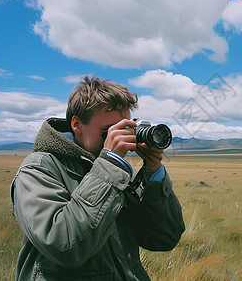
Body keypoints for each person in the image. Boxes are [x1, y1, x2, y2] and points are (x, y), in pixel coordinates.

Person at [11, 76, 185, 280]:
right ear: (77, 124)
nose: (118, 139)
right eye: (108, 132)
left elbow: (163, 239)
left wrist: (153, 174)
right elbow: (64, 247)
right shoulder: (39, 169)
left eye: (124, 130)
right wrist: (110, 164)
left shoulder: (116, 170)